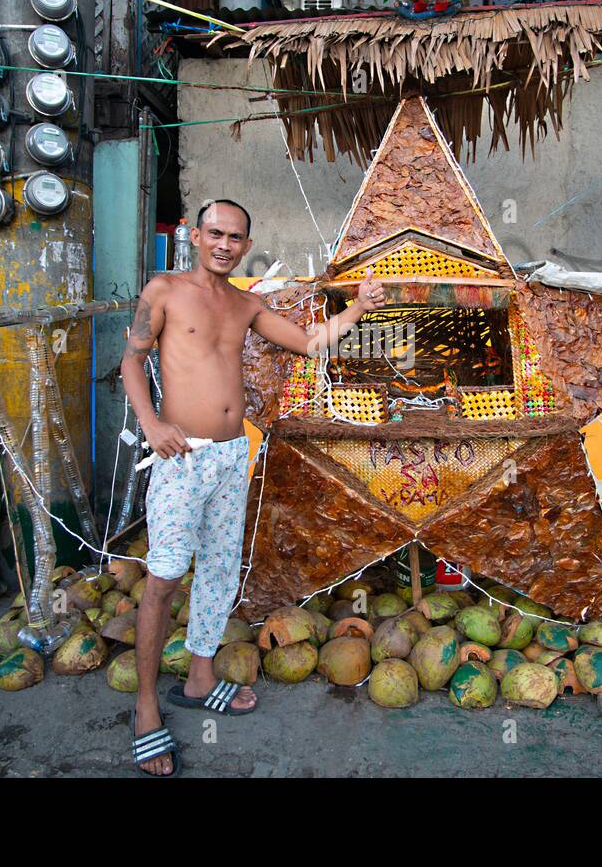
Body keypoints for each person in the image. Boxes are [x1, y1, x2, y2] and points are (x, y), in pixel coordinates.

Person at [120, 199, 385, 775]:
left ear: (245, 244)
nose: (224, 244)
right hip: (181, 456)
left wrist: (360, 308)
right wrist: (152, 424)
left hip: (230, 455)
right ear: (194, 235)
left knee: (217, 571)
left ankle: (198, 676)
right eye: (215, 232)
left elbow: (313, 342)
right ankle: (145, 707)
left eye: (235, 237)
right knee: (164, 577)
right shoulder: (163, 290)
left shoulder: (246, 305)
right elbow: (132, 362)